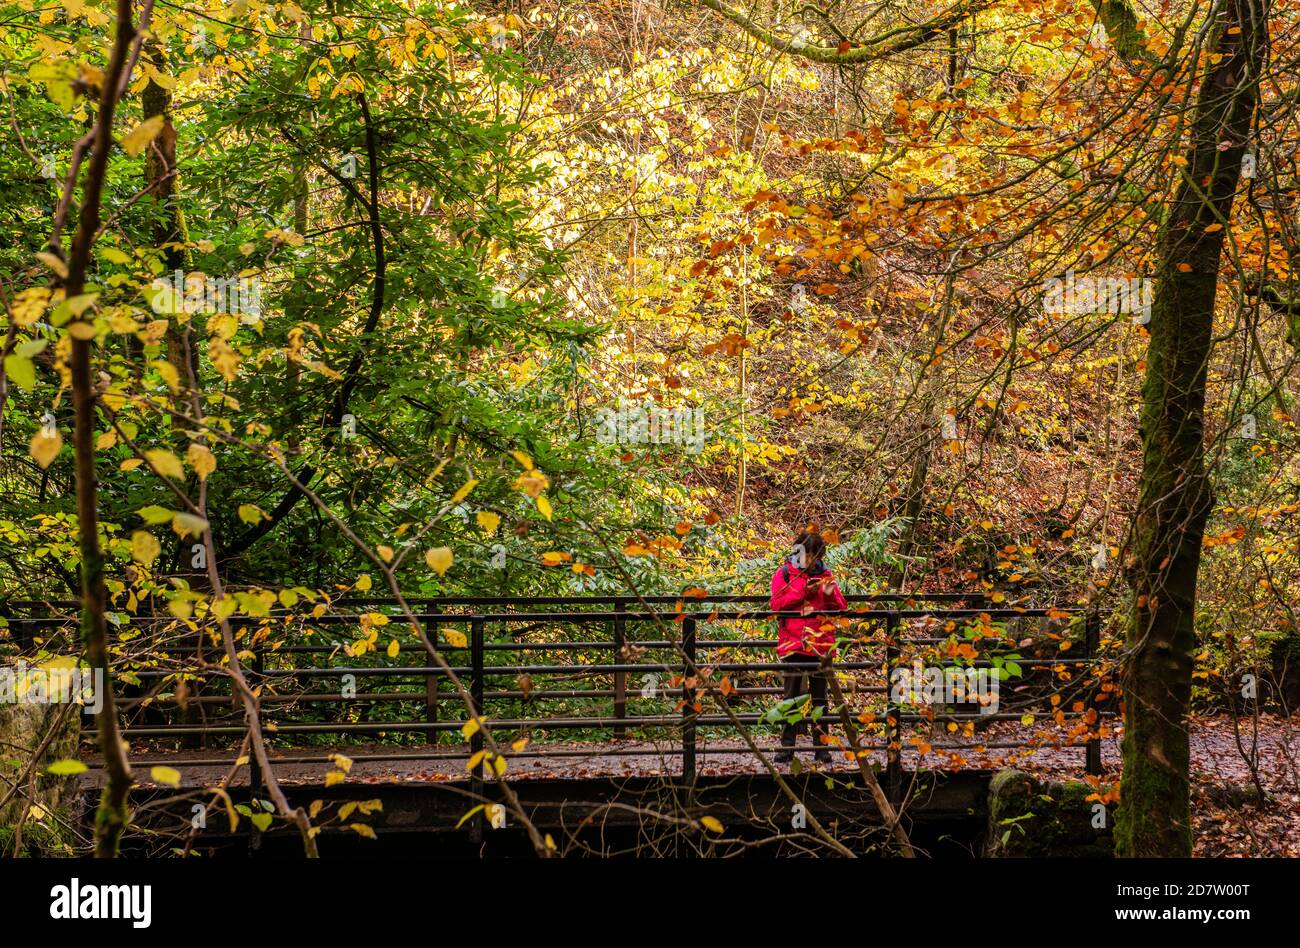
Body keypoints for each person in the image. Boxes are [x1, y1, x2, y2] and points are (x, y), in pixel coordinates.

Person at [769, 529, 847, 764]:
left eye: (814, 555)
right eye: (806, 554)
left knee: (820, 699)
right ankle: (787, 747)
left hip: (820, 645)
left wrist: (829, 594)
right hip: (793, 643)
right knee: (790, 697)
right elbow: (776, 604)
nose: (809, 560)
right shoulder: (784, 574)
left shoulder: (826, 575)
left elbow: (841, 607)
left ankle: (821, 747)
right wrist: (804, 592)